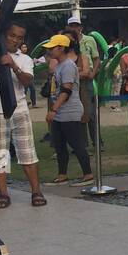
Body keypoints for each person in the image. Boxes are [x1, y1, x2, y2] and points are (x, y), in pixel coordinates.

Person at [0, 9, 46, 208]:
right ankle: (3, 194)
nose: (16, 40)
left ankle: (36, 191)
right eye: (12, 36)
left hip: (18, 109)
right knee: (0, 154)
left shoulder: (24, 58)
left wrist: (14, 66)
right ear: (3, 34)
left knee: (28, 152)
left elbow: (27, 81)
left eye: (20, 38)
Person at [45, 35, 93, 184]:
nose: (50, 51)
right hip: (60, 112)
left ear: (62, 48)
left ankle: (88, 174)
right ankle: (62, 174)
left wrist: (54, 109)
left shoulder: (68, 66)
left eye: (53, 48)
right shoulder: (60, 65)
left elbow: (67, 90)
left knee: (76, 143)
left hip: (69, 111)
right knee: (59, 144)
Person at [65, 15, 101, 151]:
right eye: (72, 26)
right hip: (73, 81)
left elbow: (97, 59)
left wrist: (93, 73)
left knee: (90, 112)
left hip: (86, 80)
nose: (74, 28)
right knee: (77, 113)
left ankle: (97, 142)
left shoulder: (89, 40)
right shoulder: (66, 41)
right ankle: (81, 145)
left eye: (76, 25)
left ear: (81, 27)